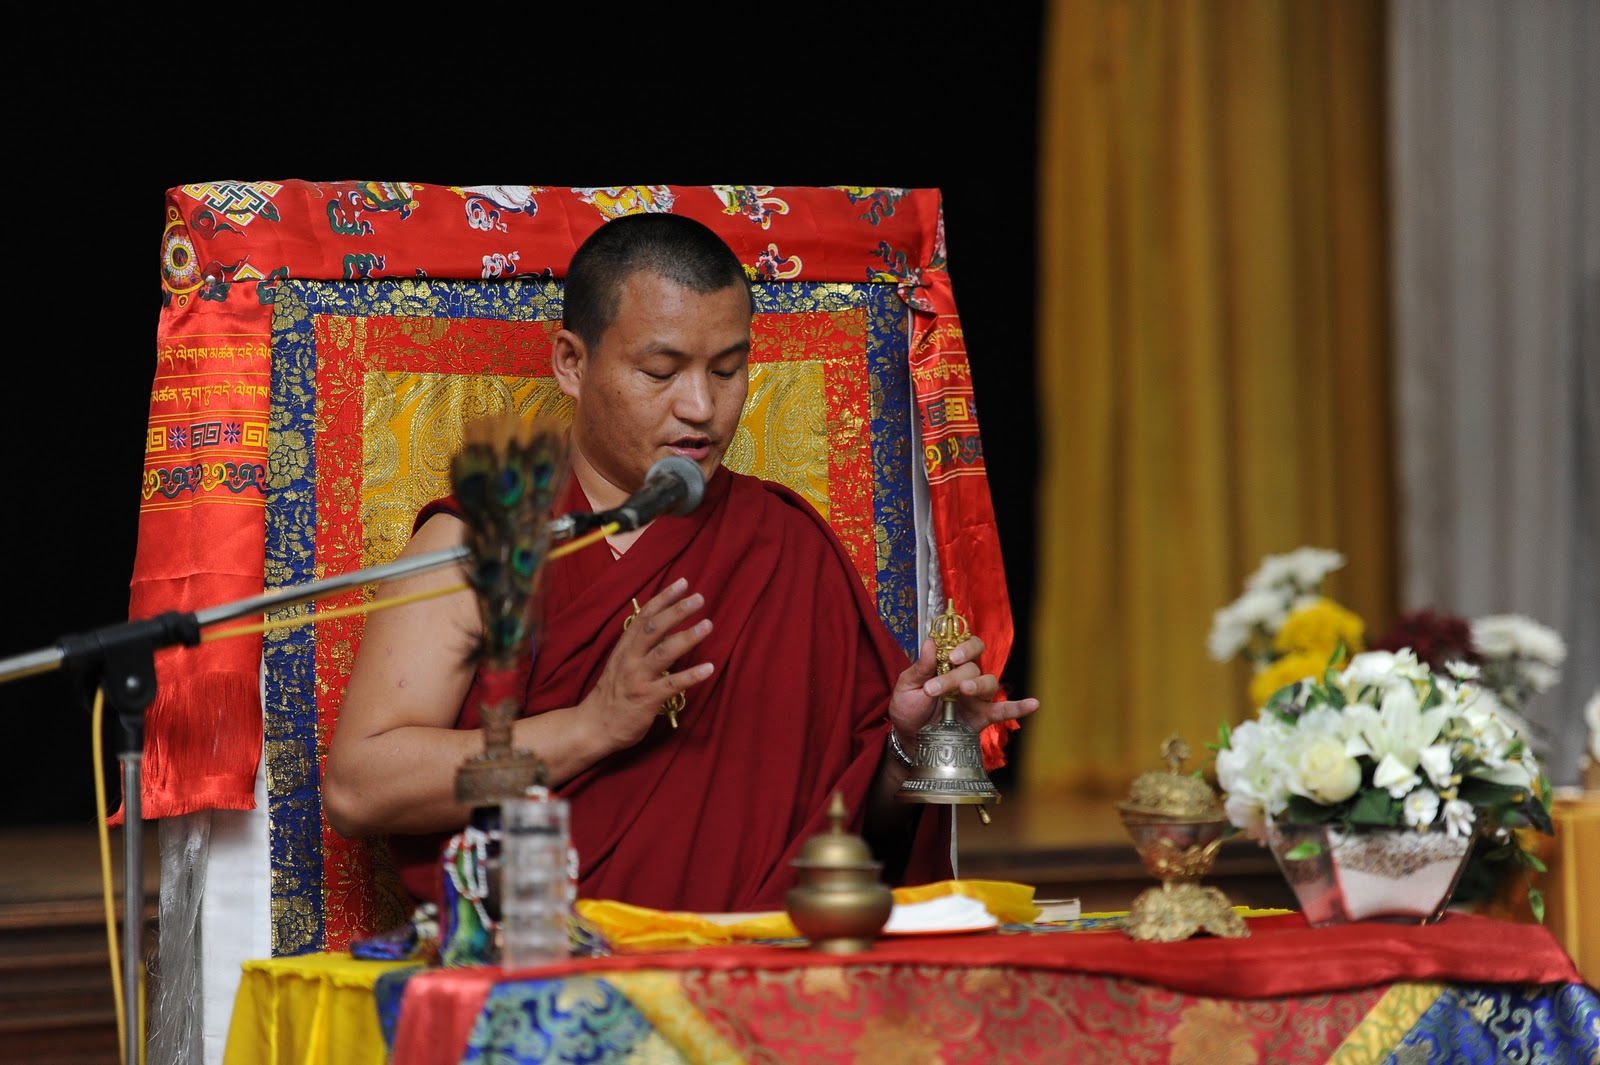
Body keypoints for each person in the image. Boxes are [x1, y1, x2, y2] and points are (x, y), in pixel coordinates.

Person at [321, 212, 1039, 914]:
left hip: (763, 972)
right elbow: (359, 789)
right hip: (553, 973)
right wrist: (589, 727)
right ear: (572, 363)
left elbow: (853, 835)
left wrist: (907, 747)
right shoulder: (479, 548)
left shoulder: (783, 544)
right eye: (660, 371)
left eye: (727, 370)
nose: (700, 406)